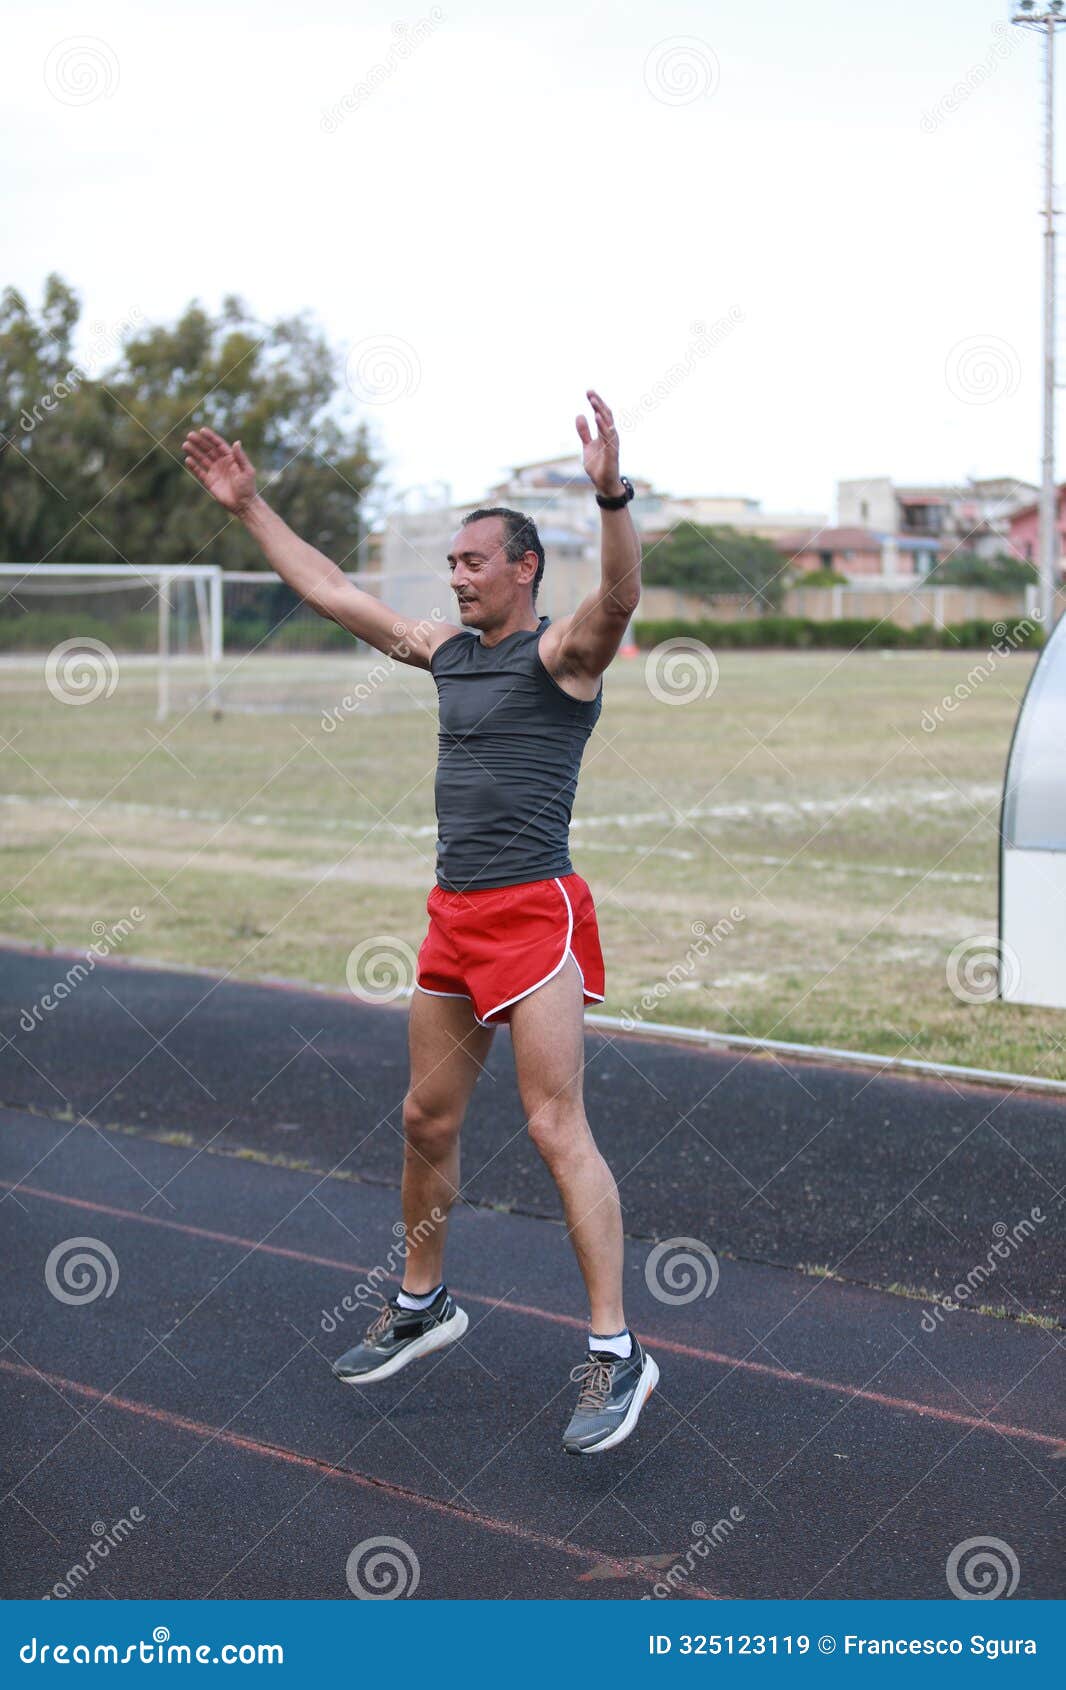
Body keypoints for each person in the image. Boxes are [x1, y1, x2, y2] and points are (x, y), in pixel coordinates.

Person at [182, 390, 657, 1453]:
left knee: (551, 1125)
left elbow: (621, 596)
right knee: (424, 1121)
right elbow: (332, 590)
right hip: (453, 916)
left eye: (472, 561)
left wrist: (611, 493)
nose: (454, 573)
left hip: (535, 913)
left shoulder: (561, 658)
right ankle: (422, 1300)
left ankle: (617, 1352)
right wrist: (248, 506)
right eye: (449, 561)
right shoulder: (445, 652)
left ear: (523, 568)